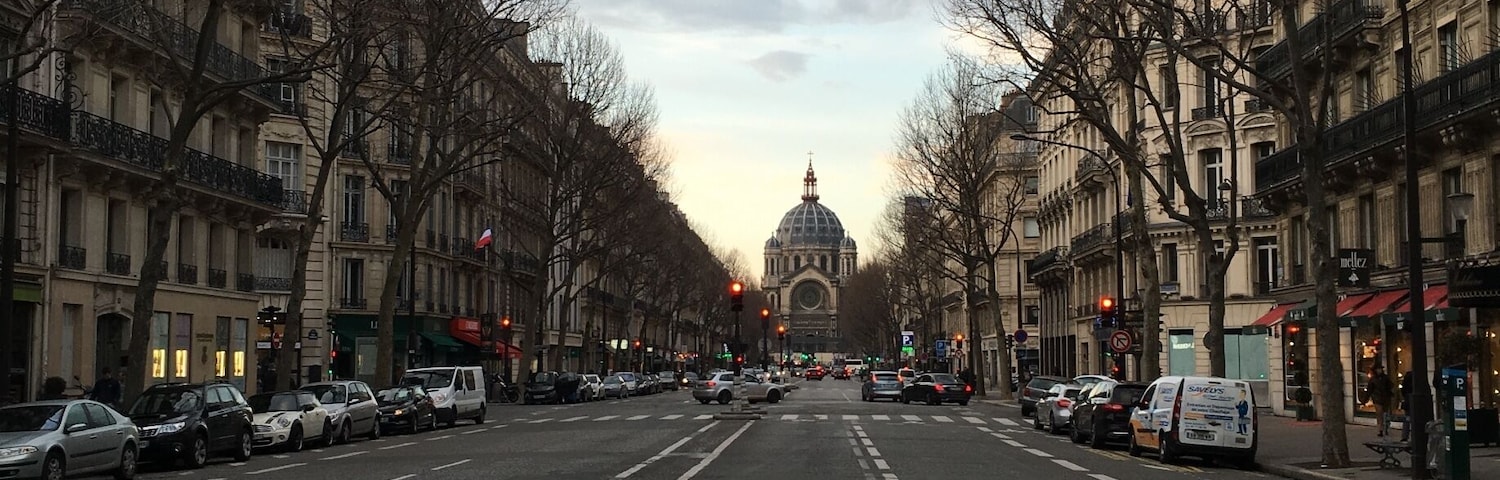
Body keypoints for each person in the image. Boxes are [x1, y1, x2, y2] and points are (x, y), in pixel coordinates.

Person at [1367, 365, 1394, 437]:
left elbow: (1391, 386)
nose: (1379, 371)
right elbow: (1369, 389)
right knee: (1379, 414)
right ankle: (1381, 429)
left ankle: (1385, 428)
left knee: (1385, 414)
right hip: (1377, 398)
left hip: (1385, 398)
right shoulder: (1373, 379)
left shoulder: (1385, 378)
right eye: (1378, 369)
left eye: (1380, 369)